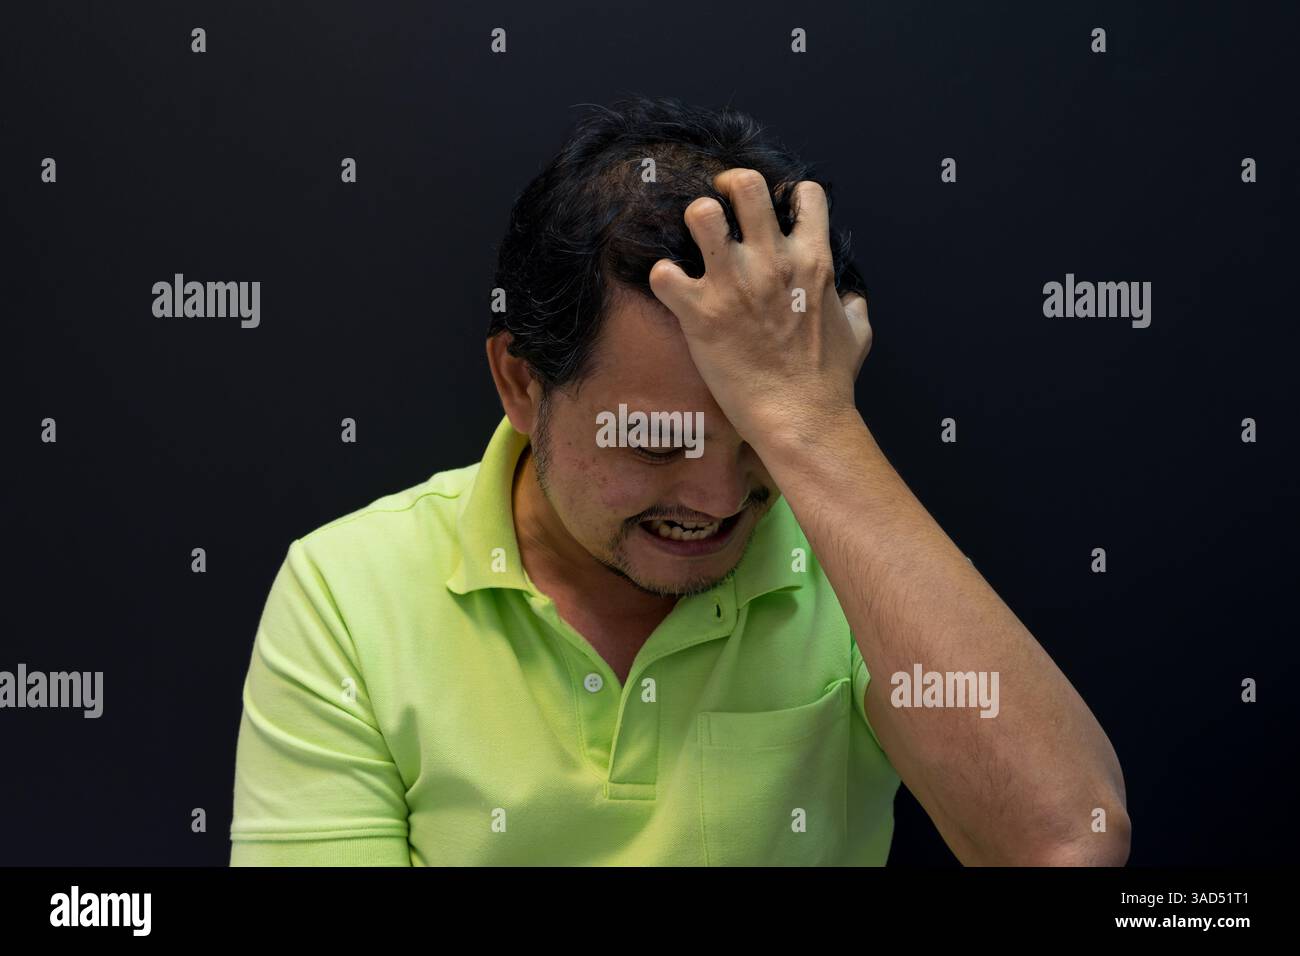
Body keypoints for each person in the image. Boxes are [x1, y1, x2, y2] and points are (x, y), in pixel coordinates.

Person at [229, 94, 1129, 866]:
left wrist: (814, 428)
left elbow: (1066, 844)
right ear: (520, 385)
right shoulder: (348, 590)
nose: (718, 500)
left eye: (756, 440)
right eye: (658, 440)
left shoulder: (855, 571)